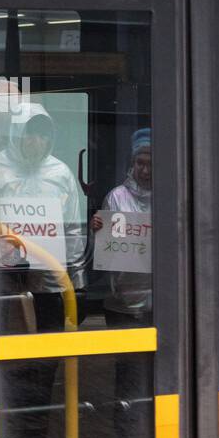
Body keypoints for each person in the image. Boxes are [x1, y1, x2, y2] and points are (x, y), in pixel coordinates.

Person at [0, 101, 88, 330]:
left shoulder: (60, 173)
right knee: (6, 338)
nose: (37, 141)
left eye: (43, 135)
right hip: (5, 276)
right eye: (29, 133)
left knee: (49, 338)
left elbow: (72, 227)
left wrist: (77, 280)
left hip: (48, 275)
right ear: (16, 134)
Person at [92, 128, 152, 327]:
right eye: (140, 163)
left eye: (151, 164)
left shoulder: (171, 197)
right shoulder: (116, 197)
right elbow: (105, 254)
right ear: (132, 163)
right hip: (120, 298)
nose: (145, 170)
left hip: (160, 299)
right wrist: (97, 232)